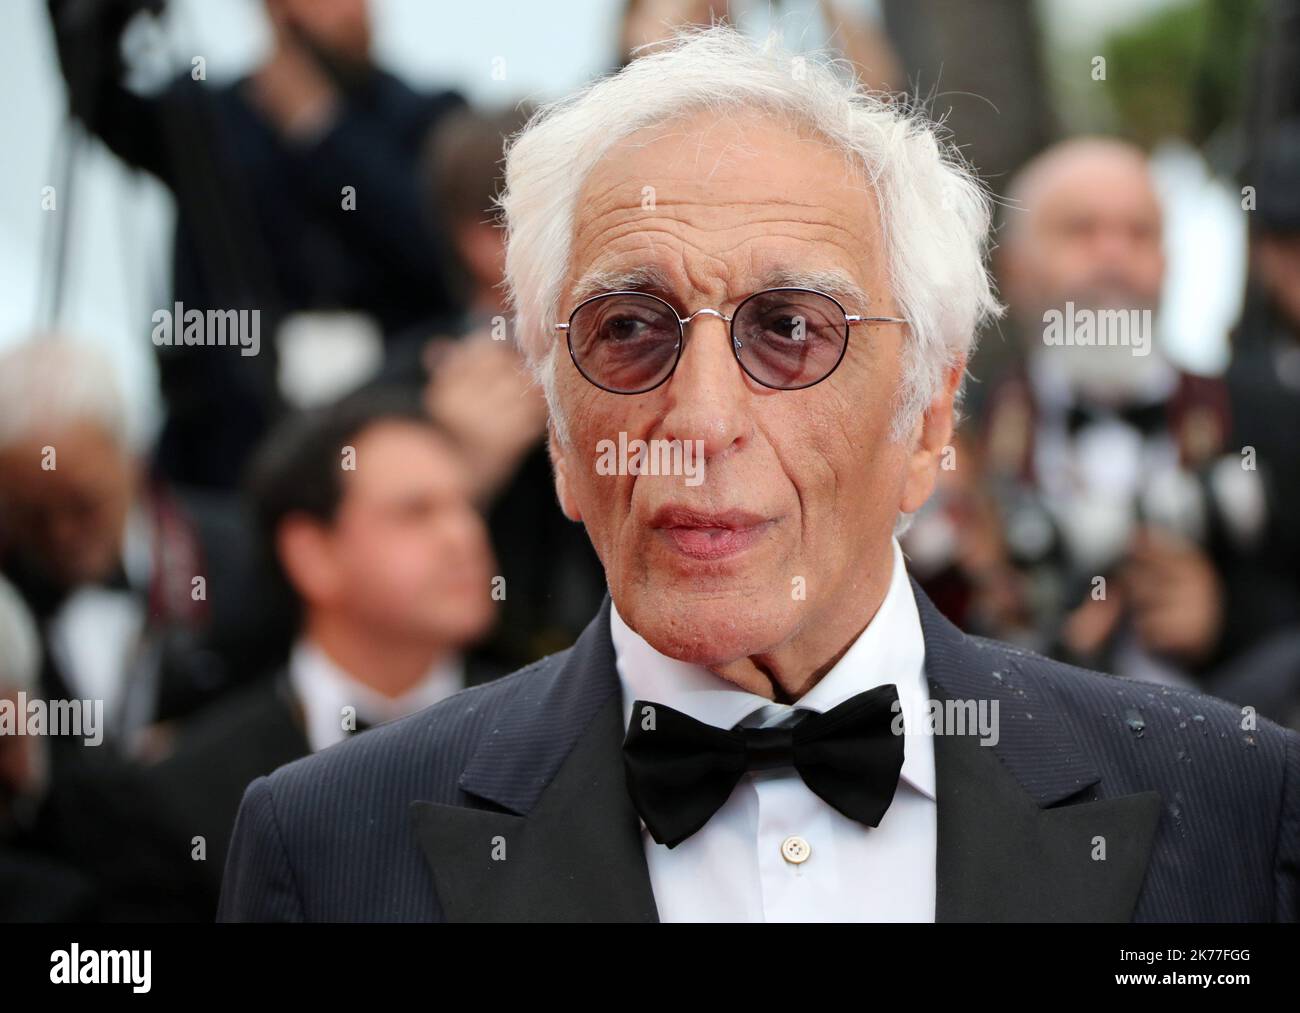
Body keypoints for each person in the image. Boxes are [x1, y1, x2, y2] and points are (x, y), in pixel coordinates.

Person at [219, 27, 1299, 923]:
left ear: (926, 417)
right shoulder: (329, 853)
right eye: (629, 328)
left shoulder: (1234, 809)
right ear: (559, 431)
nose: (699, 416)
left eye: (789, 329)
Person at [47, 0, 468, 489]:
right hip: (230, 454)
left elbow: (440, 247)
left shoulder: (427, 116)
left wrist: (322, 130)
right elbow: (97, 97)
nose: (358, 10)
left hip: (394, 432)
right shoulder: (206, 117)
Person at [135, 388, 506, 916]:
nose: (464, 535)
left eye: (468, 506)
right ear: (311, 556)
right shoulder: (186, 792)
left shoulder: (559, 732)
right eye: (415, 512)